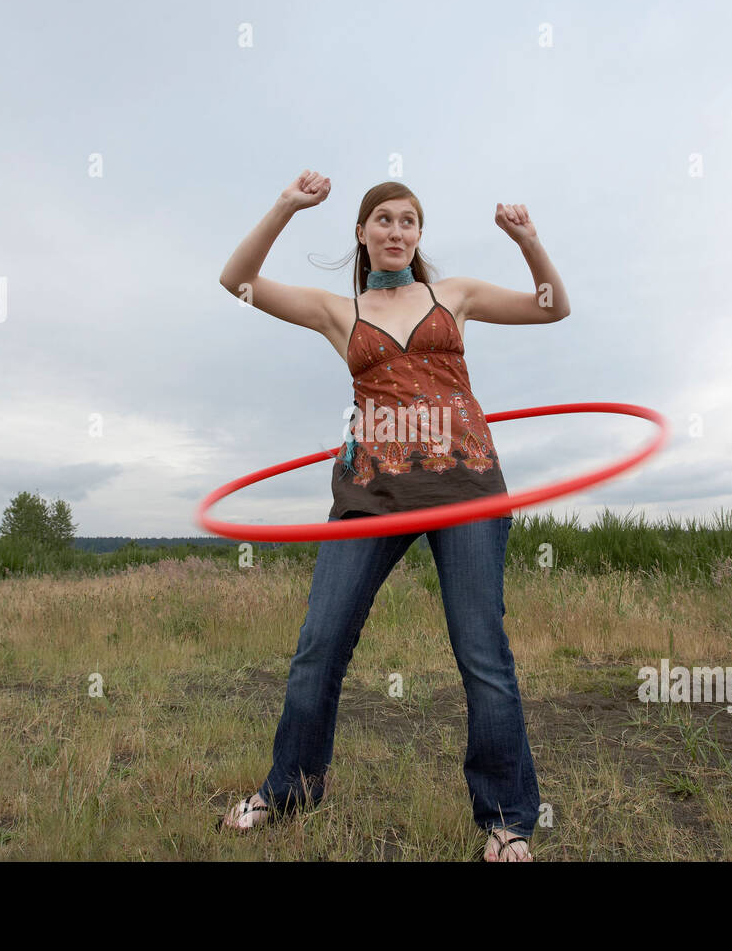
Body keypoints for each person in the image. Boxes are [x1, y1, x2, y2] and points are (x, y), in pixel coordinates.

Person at [215, 171, 570, 861]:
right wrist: (287, 204)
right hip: (370, 493)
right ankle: (289, 788)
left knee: (482, 656)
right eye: (383, 219)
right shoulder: (337, 311)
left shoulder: (454, 296)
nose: (396, 231)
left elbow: (552, 308)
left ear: (419, 235)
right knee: (319, 648)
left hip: (466, 487)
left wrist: (528, 240)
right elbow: (237, 281)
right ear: (362, 232)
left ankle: (506, 820)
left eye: (408, 221)